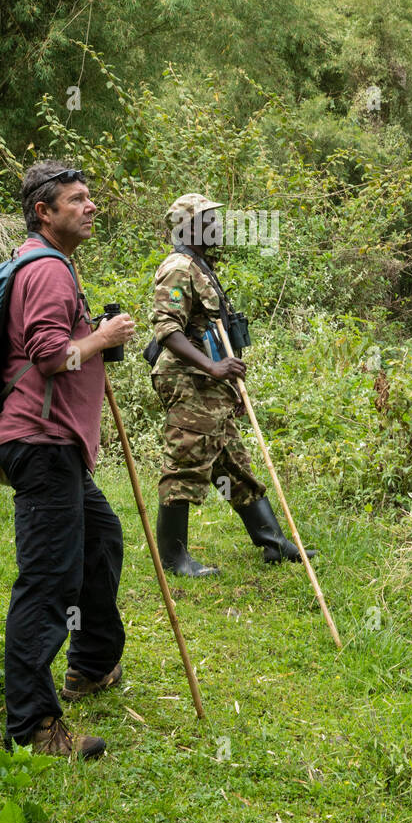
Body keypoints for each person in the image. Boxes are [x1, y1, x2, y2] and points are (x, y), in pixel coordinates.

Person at [0, 161, 135, 758]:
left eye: (90, 196)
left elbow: (53, 345)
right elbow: (52, 358)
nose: (91, 205)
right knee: (48, 583)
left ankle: (92, 663)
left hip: (59, 446)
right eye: (77, 199)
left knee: (100, 539)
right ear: (43, 213)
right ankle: (32, 727)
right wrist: (104, 338)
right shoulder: (48, 269)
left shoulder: (48, 265)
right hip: (43, 443)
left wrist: (95, 334)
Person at [150, 192, 315, 577]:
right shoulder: (177, 267)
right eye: (209, 220)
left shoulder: (201, 265)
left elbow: (215, 331)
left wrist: (230, 385)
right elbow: (166, 329)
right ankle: (175, 560)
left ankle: (274, 544)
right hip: (188, 380)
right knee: (185, 465)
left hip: (211, 384)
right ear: (189, 228)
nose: (219, 227)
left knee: (232, 466)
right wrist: (214, 368)